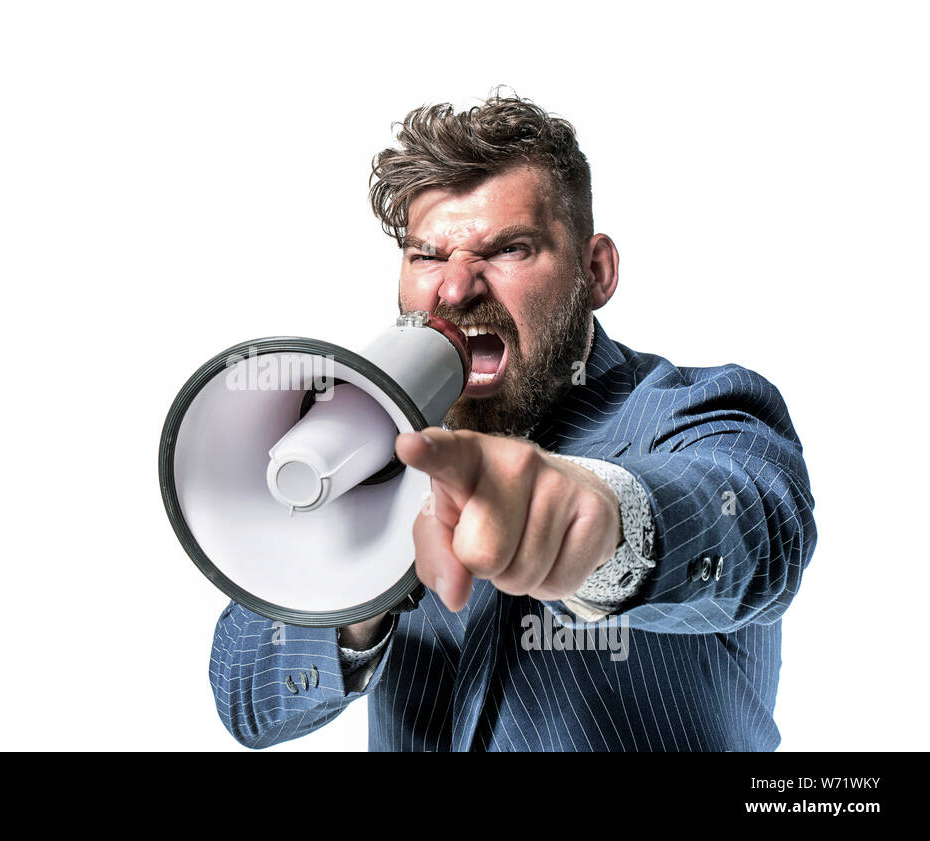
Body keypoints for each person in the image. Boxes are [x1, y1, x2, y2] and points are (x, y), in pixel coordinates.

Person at [208, 92, 817, 751]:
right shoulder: (370, 442)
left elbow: (758, 533)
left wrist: (600, 523)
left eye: (508, 250)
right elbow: (248, 702)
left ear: (596, 271)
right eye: (428, 256)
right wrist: (356, 578)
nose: (454, 288)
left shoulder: (698, 408)